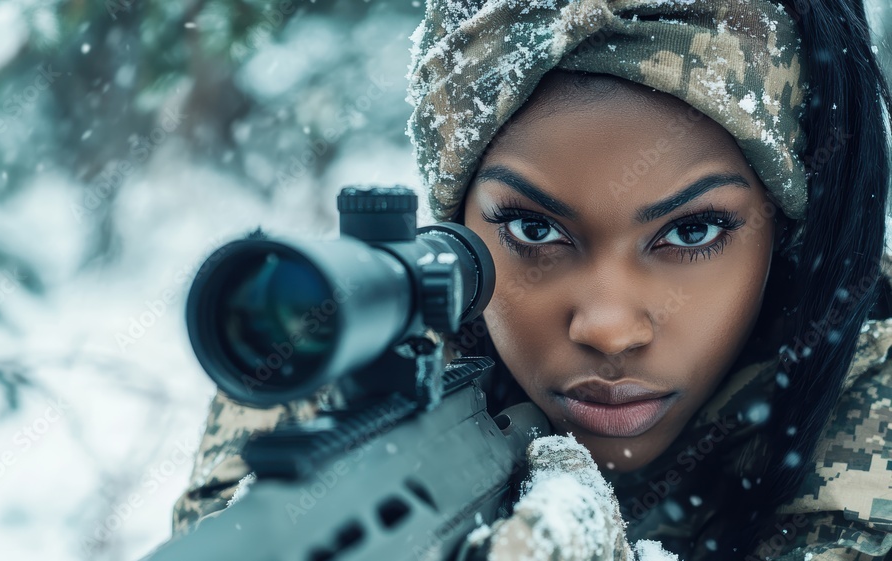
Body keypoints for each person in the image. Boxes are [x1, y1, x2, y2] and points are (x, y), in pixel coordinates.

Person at [171, 0, 892, 559]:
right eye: (534, 229)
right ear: (457, 225)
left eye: (692, 231)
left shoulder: (872, 404)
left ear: (787, 230)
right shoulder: (318, 371)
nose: (608, 326)